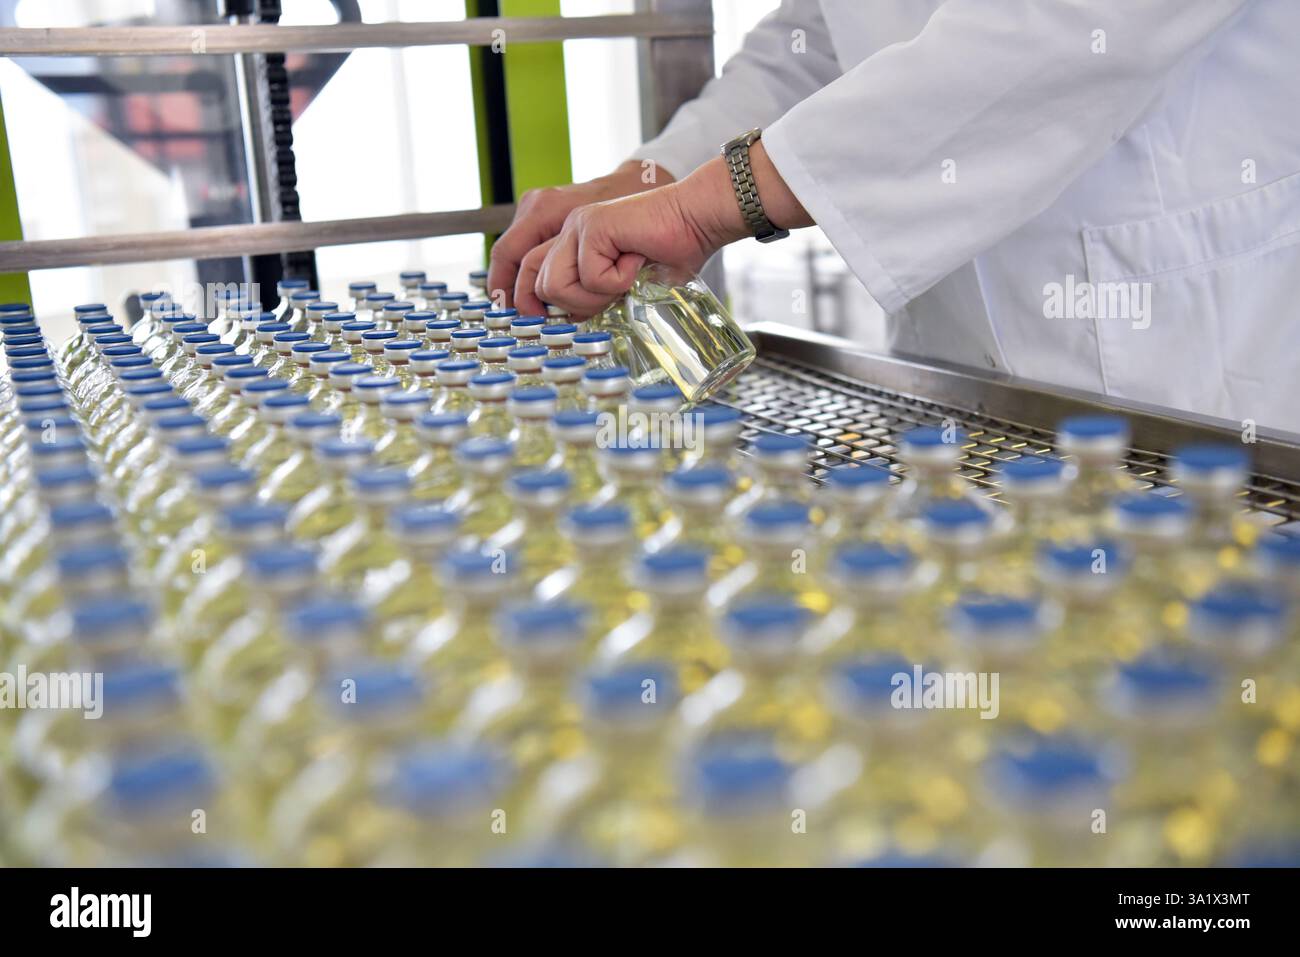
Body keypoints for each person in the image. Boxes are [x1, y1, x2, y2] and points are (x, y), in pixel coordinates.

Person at [488, 0, 1300, 431]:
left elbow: (1079, 22)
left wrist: (711, 205)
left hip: (1188, 344)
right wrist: (650, 178)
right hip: (957, 372)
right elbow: (823, 35)